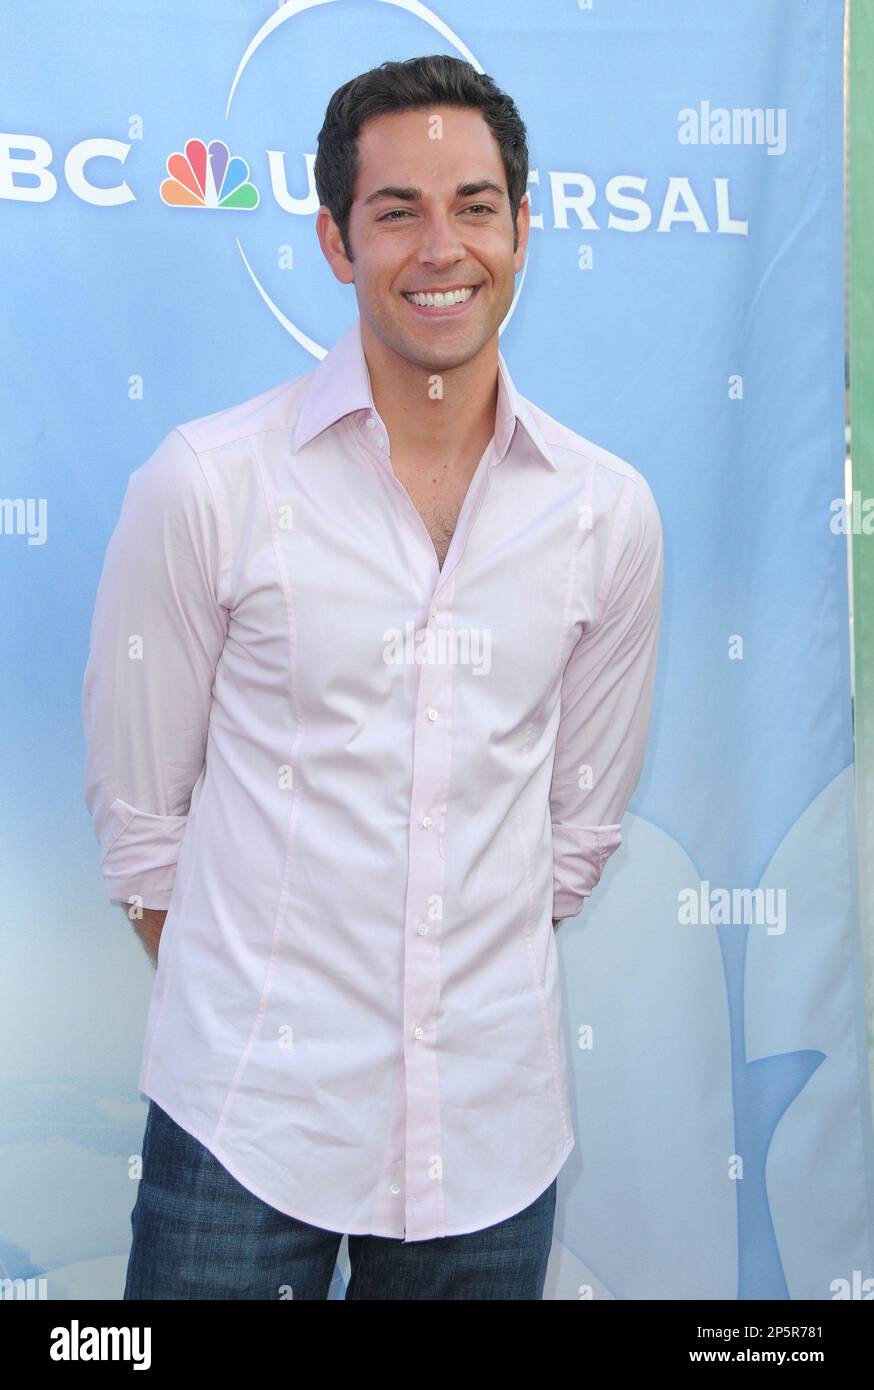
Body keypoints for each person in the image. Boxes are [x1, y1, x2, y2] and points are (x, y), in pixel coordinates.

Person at [82, 53, 663, 1301]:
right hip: (246, 1128)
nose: (440, 246)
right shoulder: (208, 483)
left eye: (476, 205)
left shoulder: (607, 515)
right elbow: (143, 835)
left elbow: (572, 834)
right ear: (337, 244)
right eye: (396, 210)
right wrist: (277, 1016)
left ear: (522, 228)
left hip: (491, 1141)